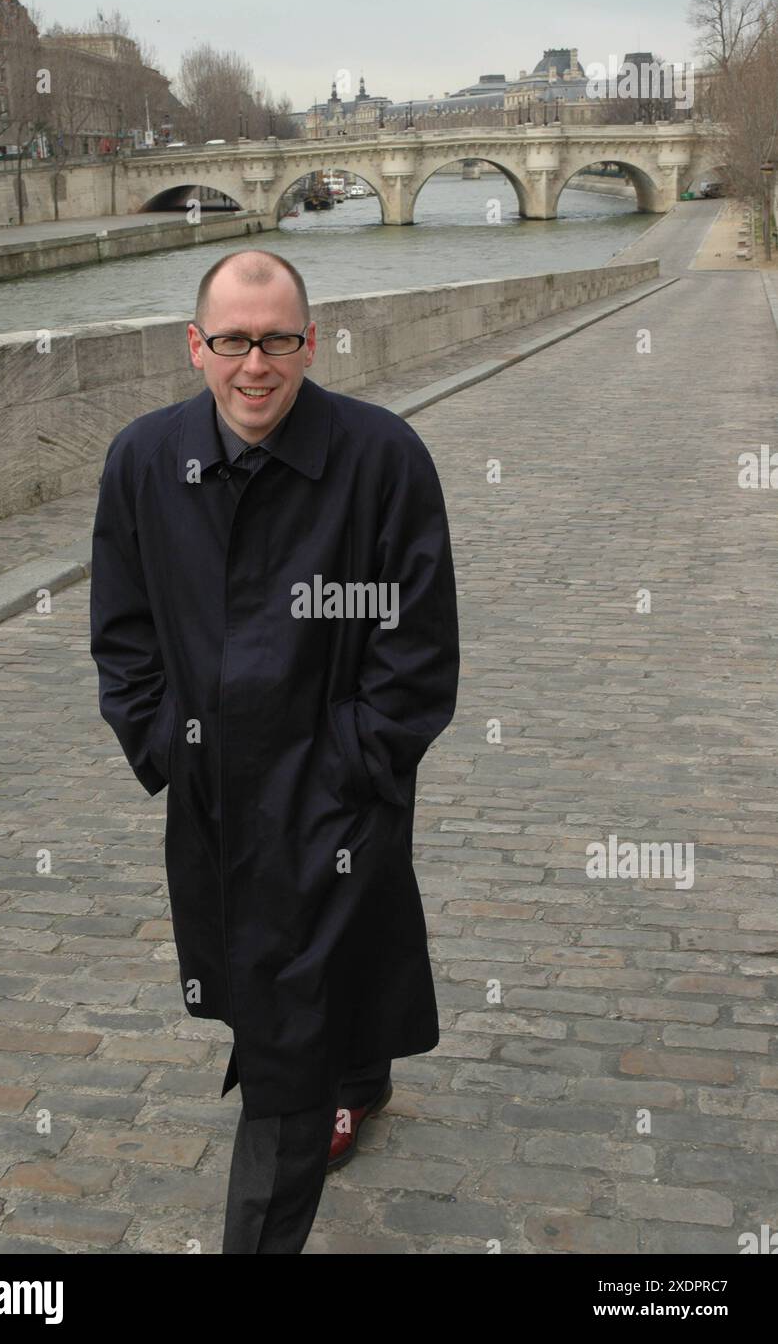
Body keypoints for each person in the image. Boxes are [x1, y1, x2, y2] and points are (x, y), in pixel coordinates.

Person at [89, 248, 460, 1253]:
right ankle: (361, 1072)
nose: (255, 365)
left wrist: (352, 763)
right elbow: (123, 629)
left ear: (311, 341)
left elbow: (417, 648)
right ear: (195, 345)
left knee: (287, 1041)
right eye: (233, 341)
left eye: (277, 339)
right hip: (211, 791)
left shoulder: (382, 457)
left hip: (335, 804)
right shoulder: (142, 459)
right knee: (278, 982)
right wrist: (167, 743)